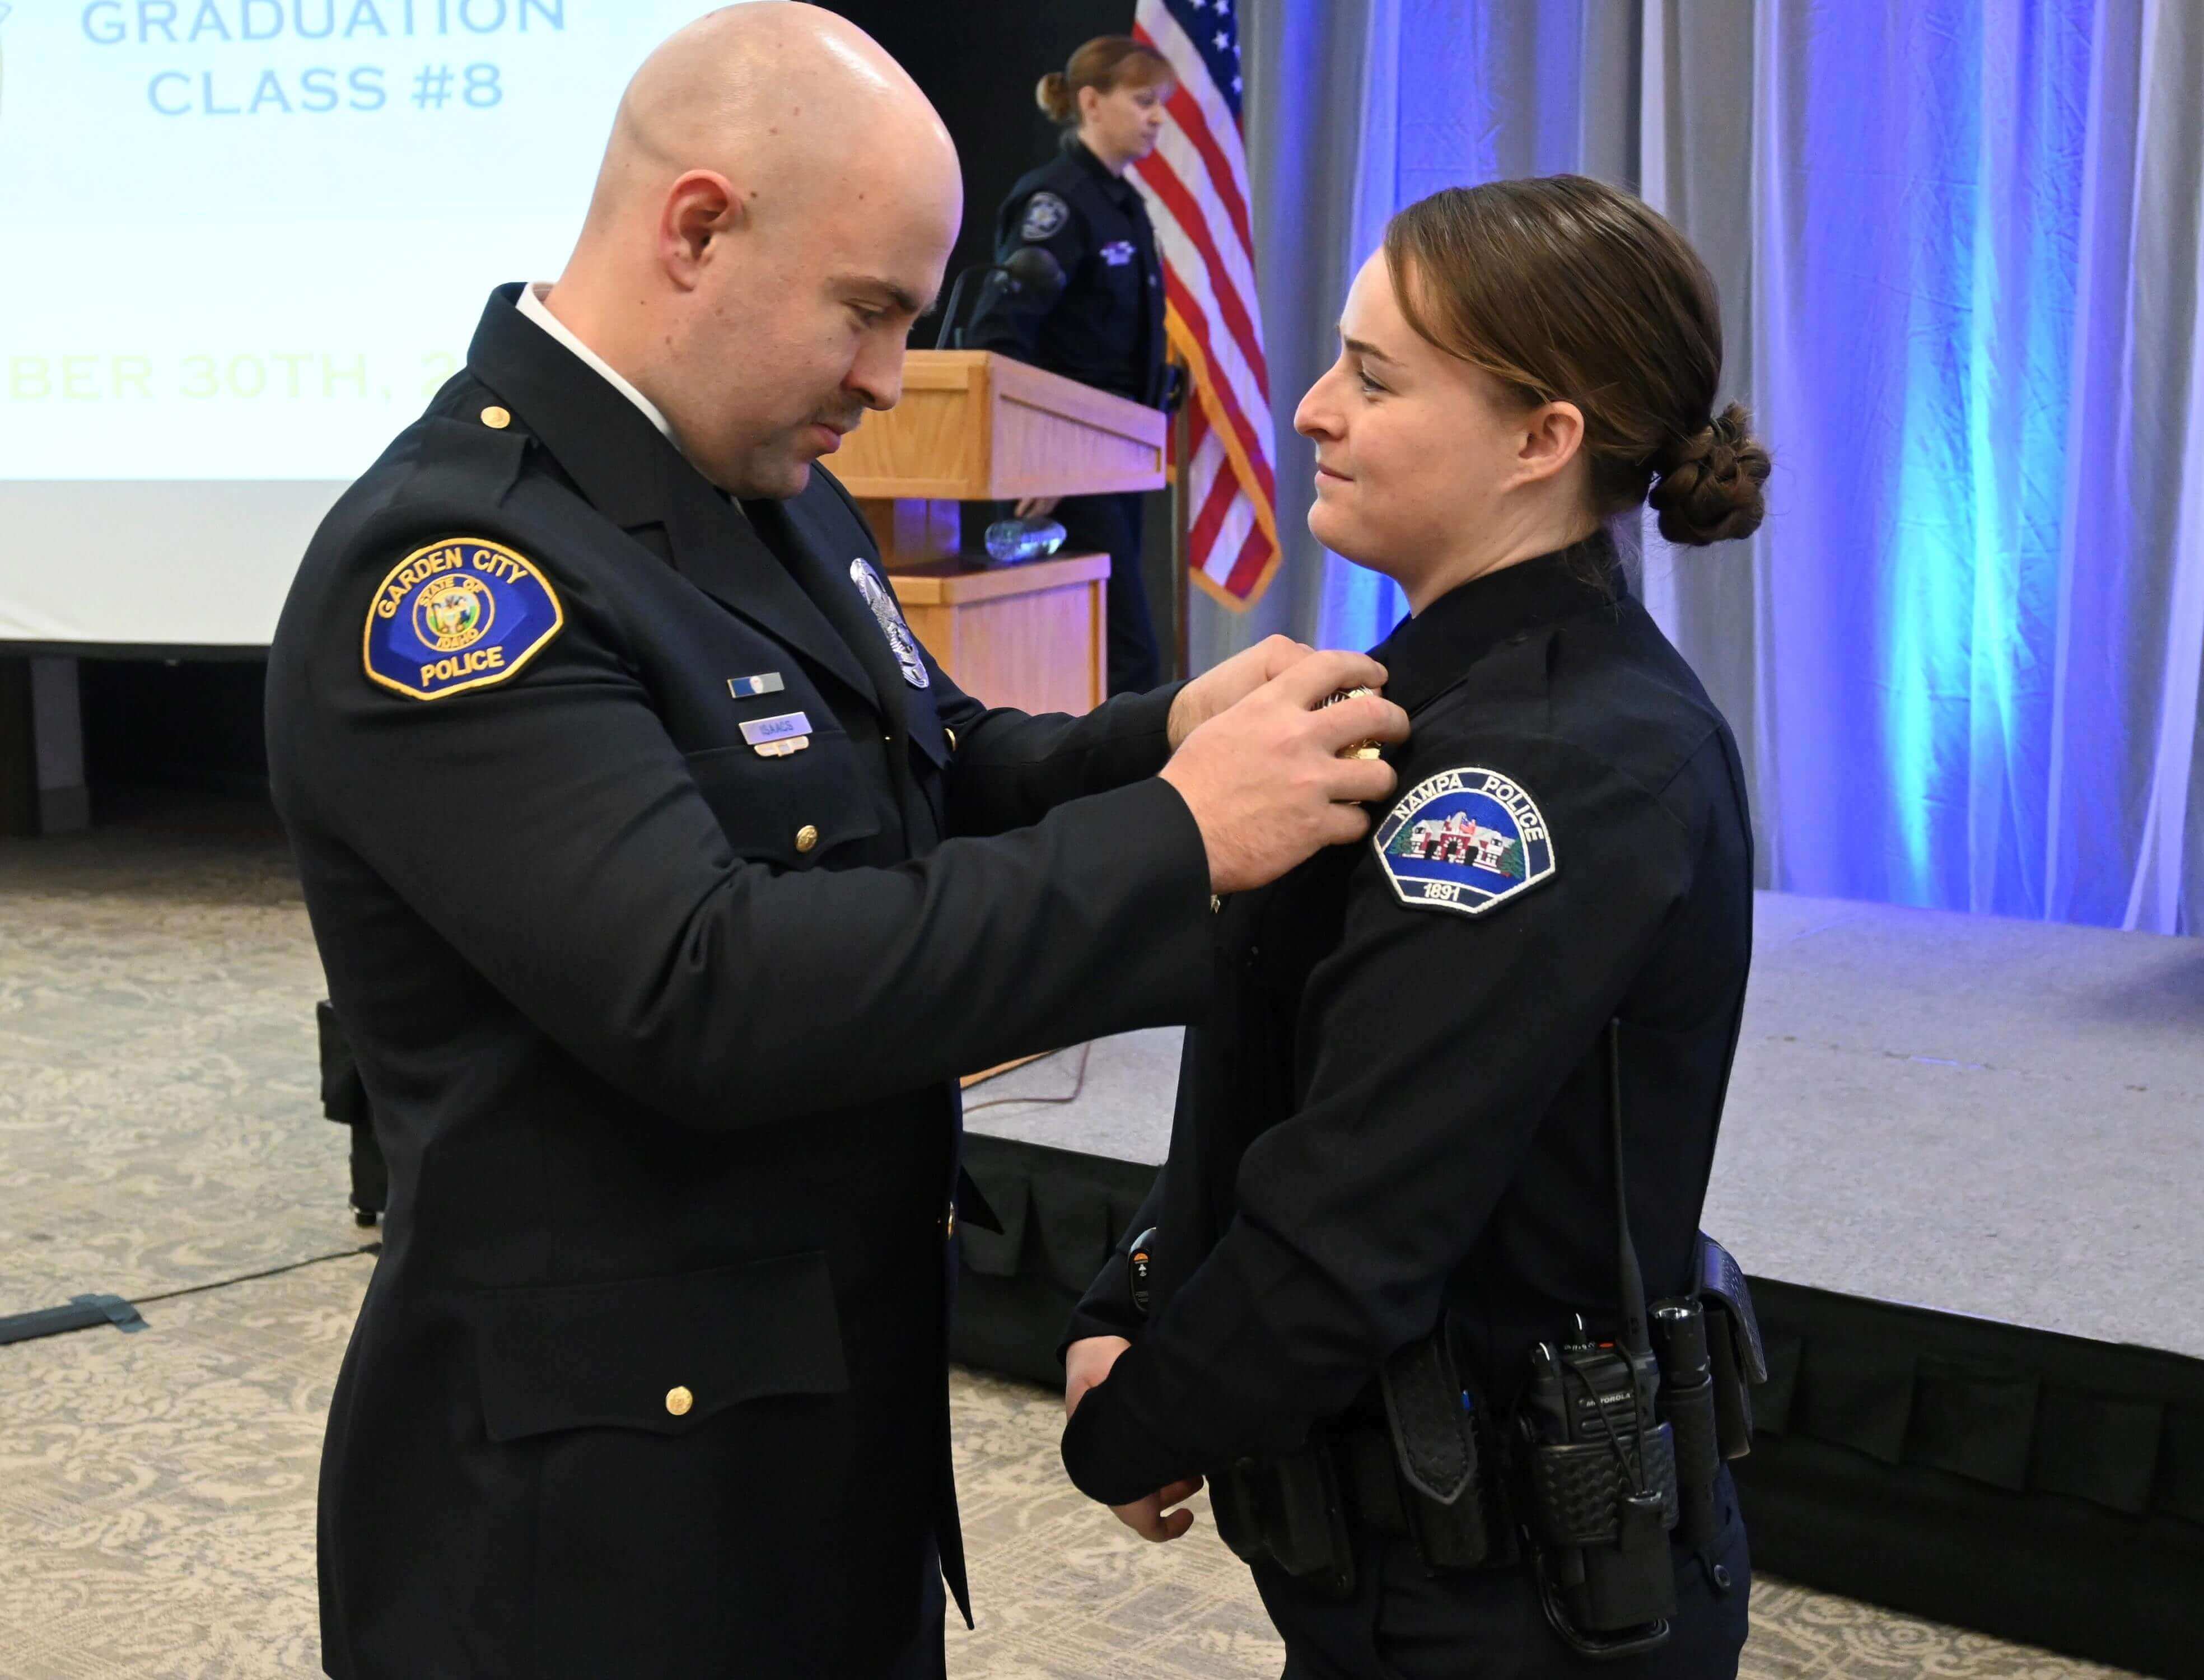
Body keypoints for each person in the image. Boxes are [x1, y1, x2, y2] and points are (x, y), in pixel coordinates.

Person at [264, 7, 1408, 1677]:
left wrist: (1155, 736)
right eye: (866, 312)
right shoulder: (461, 571)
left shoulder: (754, 479)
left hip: (808, 1411)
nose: (887, 378)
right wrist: (1175, 840)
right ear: (698, 230)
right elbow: (704, 984)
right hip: (597, 1513)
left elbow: (924, 764)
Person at [1058, 174, 1772, 1679]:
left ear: (1542, 438)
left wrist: (1131, 1428)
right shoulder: (1423, 698)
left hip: (1514, 1599)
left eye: (1374, 378)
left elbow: (1358, 1217)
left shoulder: (1553, 764)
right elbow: (1281, 1064)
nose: (1312, 409)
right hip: (1401, 1569)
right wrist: (1136, 1287)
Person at [963, 36, 1175, 694]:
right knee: (1119, 655)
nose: (1158, 118)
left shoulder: (1125, 204)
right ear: (1091, 101)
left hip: (1112, 456)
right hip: (1063, 465)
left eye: (1160, 103)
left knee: (1117, 650)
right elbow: (1001, 335)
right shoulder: (1055, 203)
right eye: (1143, 101)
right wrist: (1038, 454)